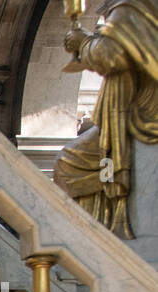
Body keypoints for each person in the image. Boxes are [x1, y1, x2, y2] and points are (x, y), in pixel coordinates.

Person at [53, 0, 158, 238]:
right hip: (137, 110)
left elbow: (114, 57)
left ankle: (89, 244)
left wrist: (85, 43)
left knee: (68, 164)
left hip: (139, 117)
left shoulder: (133, 5)